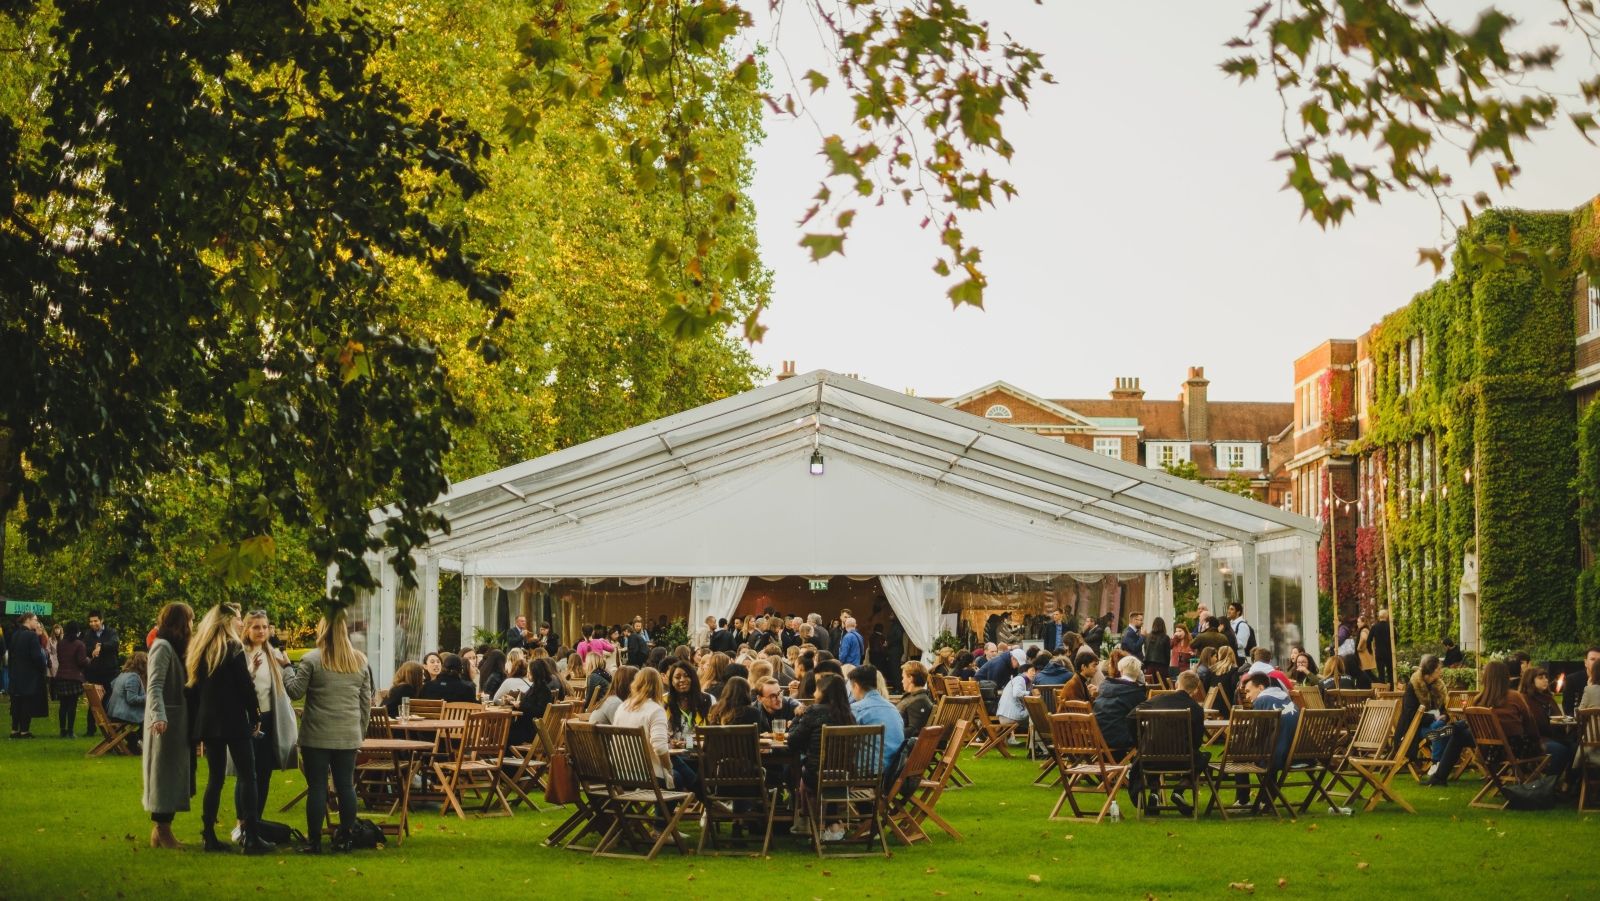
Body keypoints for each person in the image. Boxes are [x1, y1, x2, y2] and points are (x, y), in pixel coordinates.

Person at [283, 610, 372, 854]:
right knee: (346, 786)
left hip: (317, 734)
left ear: (321, 631)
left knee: (317, 787)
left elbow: (295, 692)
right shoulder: (359, 661)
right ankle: (345, 839)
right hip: (347, 734)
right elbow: (366, 701)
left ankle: (314, 841)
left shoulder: (312, 659)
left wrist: (285, 669)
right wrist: (360, 731)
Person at [186, 604, 270, 853]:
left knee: (215, 778)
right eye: (236, 620)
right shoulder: (232, 648)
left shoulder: (200, 649)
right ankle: (251, 835)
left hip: (209, 722)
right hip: (233, 720)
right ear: (226, 622)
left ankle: (209, 834)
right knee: (248, 775)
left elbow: (192, 689)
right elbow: (245, 686)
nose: (241, 624)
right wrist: (255, 713)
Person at [1426, 661, 1540, 786]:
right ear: (1505, 677)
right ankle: (1455, 728)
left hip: (1488, 748)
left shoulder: (1480, 699)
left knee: (1459, 734)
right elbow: (1531, 724)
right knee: (1460, 732)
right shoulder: (1515, 697)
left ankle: (1440, 776)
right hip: (1513, 747)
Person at [237, 610, 298, 841]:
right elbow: (239, 688)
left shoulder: (271, 652)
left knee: (264, 772)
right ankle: (243, 823)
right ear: (247, 629)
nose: (261, 631)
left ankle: (256, 823)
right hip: (249, 719)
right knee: (247, 773)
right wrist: (250, 671)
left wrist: (286, 665)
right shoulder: (241, 653)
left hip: (270, 719)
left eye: (264, 627)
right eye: (256, 627)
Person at [143, 602, 194, 849]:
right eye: (190, 620)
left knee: (174, 776)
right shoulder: (162, 647)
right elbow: (154, 686)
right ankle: (162, 830)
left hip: (177, 722)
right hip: (165, 724)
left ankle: (162, 831)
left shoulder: (174, 647)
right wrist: (159, 716)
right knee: (164, 777)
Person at [787, 673, 855, 840]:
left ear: (824, 691)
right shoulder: (848, 716)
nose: (814, 694)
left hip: (817, 775)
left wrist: (797, 717)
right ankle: (831, 824)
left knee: (799, 774)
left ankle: (806, 821)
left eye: (817, 690)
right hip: (845, 776)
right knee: (821, 776)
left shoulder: (814, 712)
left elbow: (793, 740)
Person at [1133, 670, 1207, 815]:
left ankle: (1154, 793)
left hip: (1151, 758)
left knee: (1153, 747)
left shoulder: (1157, 700)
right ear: (1196, 689)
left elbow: (1131, 716)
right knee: (1202, 757)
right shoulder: (1196, 709)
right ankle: (1179, 789)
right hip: (1182, 760)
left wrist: (1141, 740)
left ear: (1176, 684)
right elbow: (1197, 741)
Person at [1237, 671, 1298, 808]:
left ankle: (1243, 801)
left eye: (1248, 691)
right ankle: (1265, 801)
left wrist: (1240, 742)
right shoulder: (1285, 698)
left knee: (1237, 753)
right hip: (1295, 754)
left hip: (1277, 755)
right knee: (1269, 749)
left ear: (1260, 688)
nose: (1247, 696)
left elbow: (1256, 734)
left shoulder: (1262, 700)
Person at [611, 666, 675, 787]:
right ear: (658, 686)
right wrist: (669, 768)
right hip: (647, 775)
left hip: (620, 773)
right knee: (680, 778)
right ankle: (705, 797)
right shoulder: (656, 710)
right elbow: (660, 747)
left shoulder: (623, 706)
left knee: (682, 773)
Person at [1520, 666, 1575, 782]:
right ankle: (1548, 784)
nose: (1545, 680)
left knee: (1576, 746)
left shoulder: (1548, 698)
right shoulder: (1524, 699)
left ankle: (1570, 782)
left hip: (1554, 735)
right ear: (1530, 681)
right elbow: (1532, 723)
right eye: (1540, 678)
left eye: (1546, 677)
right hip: (1536, 739)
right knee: (1561, 750)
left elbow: (1559, 716)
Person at [846, 664, 905, 769]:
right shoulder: (893, 709)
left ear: (856, 686)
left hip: (865, 772)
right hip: (893, 770)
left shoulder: (856, 709)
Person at [1092, 656, 1148, 759]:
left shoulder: (1105, 686)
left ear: (1120, 670)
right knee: (1147, 737)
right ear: (1138, 673)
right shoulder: (1137, 693)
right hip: (1119, 739)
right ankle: (1138, 772)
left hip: (1097, 737)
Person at [1401, 654, 1450, 762]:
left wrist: (1444, 716)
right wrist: (1433, 717)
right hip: (1415, 729)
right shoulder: (1413, 686)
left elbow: (1443, 709)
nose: (1441, 671)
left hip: (1435, 725)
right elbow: (1410, 713)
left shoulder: (1438, 686)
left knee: (1446, 729)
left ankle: (1438, 763)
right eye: (1438, 669)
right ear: (1430, 671)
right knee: (1441, 729)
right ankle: (1437, 762)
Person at [511, 658, 562, 745]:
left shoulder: (543, 690)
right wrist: (514, 702)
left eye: (529, 673)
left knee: (504, 733)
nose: (527, 675)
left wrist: (520, 705)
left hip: (530, 730)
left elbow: (539, 710)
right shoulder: (536, 686)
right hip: (527, 726)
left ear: (535, 673)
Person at [52, 622, 89, 738]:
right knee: (72, 706)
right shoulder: (80, 644)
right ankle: (70, 731)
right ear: (77, 631)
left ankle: (62, 730)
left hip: (61, 676)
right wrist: (89, 659)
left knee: (63, 705)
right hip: (74, 678)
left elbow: (59, 658)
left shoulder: (61, 644)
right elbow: (81, 661)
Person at [107, 651, 149, 751]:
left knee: (148, 718)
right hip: (123, 714)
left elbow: (112, 685)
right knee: (150, 719)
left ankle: (134, 743)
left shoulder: (123, 674)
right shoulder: (133, 677)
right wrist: (150, 697)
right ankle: (136, 744)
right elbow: (132, 699)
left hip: (114, 713)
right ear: (142, 665)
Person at [665, 660, 714, 742]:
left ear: (693, 678)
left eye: (686, 676)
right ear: (672, 682)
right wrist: (671, 743)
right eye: (677, 677)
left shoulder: (708, 699)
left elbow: (713, 731)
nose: (682, 680)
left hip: (702, 751)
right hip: (673, 752)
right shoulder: (664, 701)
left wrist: (688, 744)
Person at [994, 658, 1035, 743]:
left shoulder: (1020, 680)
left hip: (1005, 714)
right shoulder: (1020, 679)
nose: (1034, 673)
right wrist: (1031, 693)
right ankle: (1035, 745)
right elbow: (1016, 693)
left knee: (1035, 714)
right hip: (1010, 716)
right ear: (1024, 672)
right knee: (1036, 715)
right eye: (1032, 671)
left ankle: (1032, 744)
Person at [84, 611, 121, 699]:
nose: (93, 623)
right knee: (96, 703)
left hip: (110, 674)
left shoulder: (111, 632)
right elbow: (85, 648)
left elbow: (114, 643)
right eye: (91, 621)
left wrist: (101, 646)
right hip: (94, 675)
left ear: (102, 620)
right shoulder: (88, 634)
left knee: (109, 701)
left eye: (95, 621)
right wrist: (93, 650)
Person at [897, 662, 935, 735]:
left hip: (898, 743)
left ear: (910, 678)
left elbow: (914, 730)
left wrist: (890, 734)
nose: (902, 681)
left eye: (903, 677)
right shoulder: (916, 697)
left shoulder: (919, 701)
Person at [1561, 646, 1600, 717]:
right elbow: (1568, 708)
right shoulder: (1572, 679)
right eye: (1593, 659)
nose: (1596, 663)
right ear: (1585, 662)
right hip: (1579, 723)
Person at [1143, 617, 1170, 682]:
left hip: (1149, 668)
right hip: (1162, 668)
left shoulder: (1147, 637)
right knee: (1162, 689)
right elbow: (1167, 654)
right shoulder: (1165, 638)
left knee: (1150, 689)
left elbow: (1145, 651)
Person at [1371, 608, 1394, 684]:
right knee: (1390, 673)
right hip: (1389, 652)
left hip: (1379, 652)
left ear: (1379, 617)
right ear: (1387, 616)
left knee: (1381, 674)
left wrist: (1371, 650)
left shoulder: (1374, 627)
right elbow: (1395, 640)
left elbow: (1368, 640)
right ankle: (1391, 690)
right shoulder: (1391, 627)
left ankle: (1382, 690)